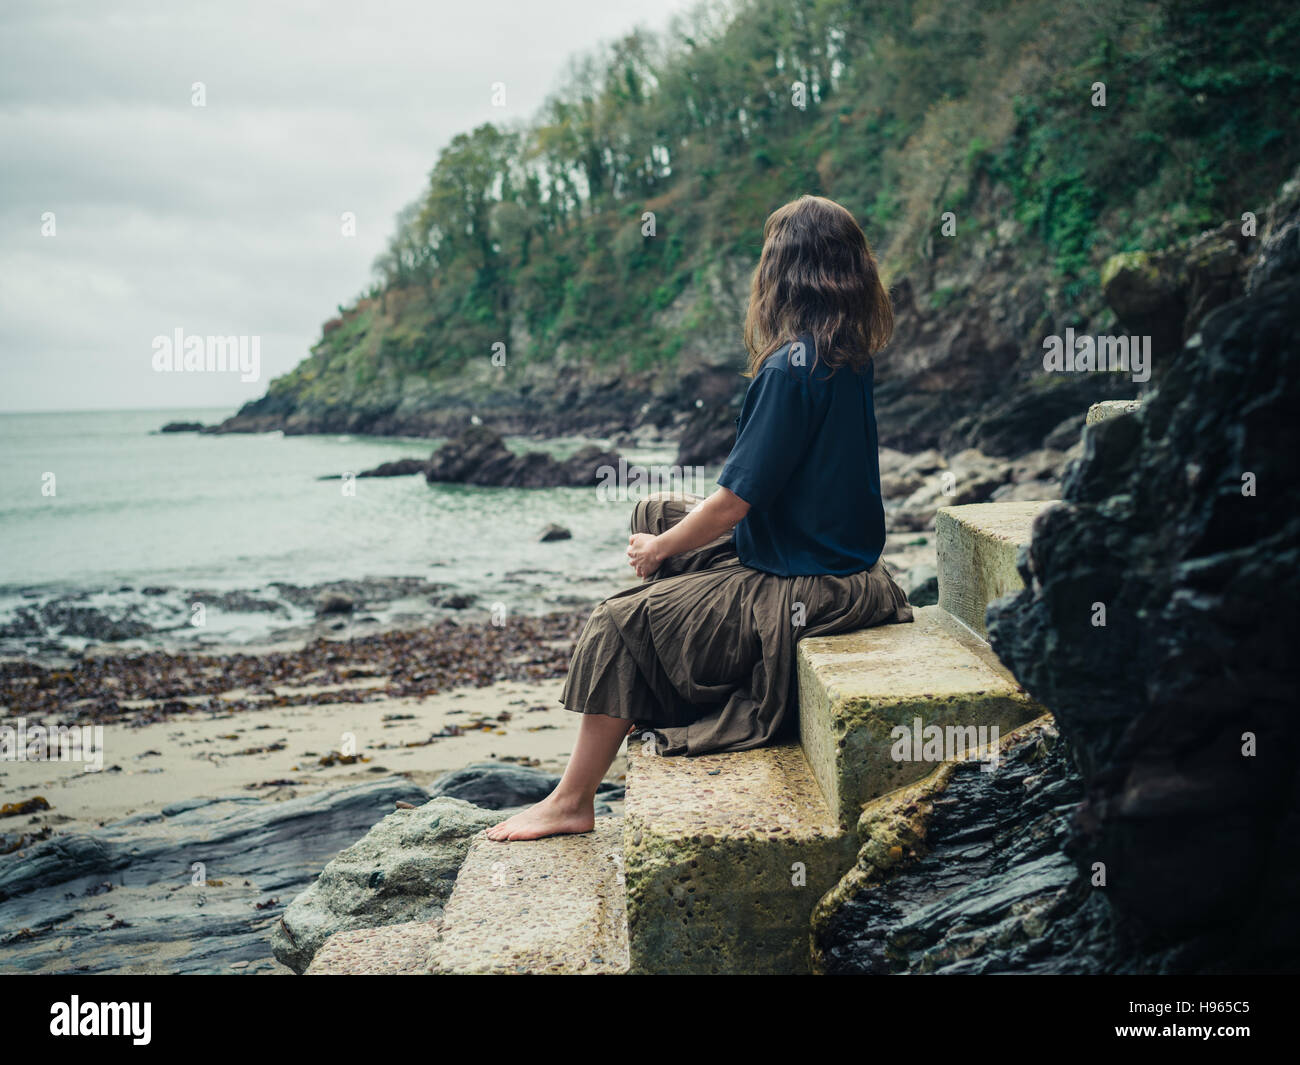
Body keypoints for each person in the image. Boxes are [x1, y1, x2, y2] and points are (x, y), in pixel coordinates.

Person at [487, 194, 913, 842]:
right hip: (836, 557)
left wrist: (658, 553)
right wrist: (663, 533)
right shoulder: (844, 352)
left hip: (810, 582)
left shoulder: (789, 367)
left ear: (783, 271)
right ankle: (675, 655)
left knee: (616, 622)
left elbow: (734, 503)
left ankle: (572, 799)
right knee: (655, 509)